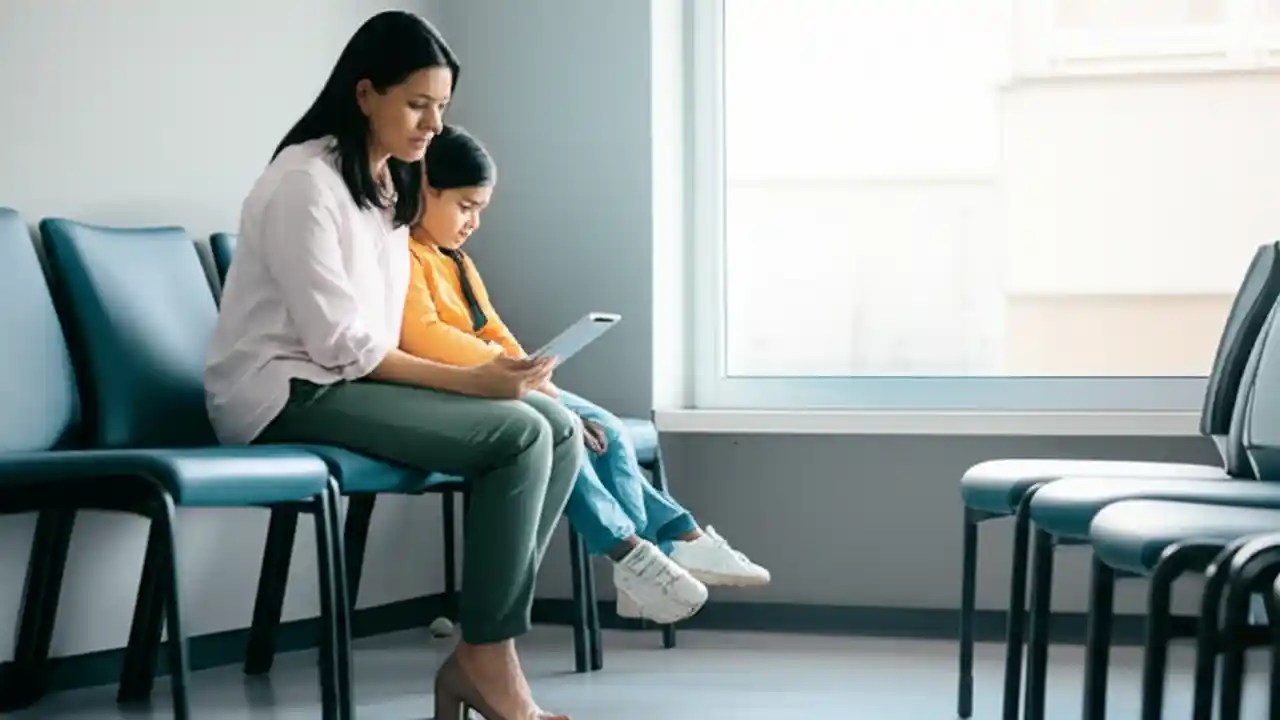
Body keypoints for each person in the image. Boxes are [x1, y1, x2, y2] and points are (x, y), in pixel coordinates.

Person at [203, 12, 574, 720]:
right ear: (365, 93)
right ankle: (488, 659)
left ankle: (482, 653)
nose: (433, 124)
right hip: (282, 392)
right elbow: (344, 345)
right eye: (417, 104)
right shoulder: (302, 185)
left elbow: (374, 338)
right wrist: (474, 383)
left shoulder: (388, 185)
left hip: (341, 380)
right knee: (522, 434)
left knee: (552, 425)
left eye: (442, 108)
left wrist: (499, 378)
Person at [399, 125, 771, 625]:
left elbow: (495, 329)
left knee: (610, 430)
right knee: (565, 432)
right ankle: (643, 552)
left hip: (504, 379)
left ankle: (664, 548)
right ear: (425, 187)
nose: (474, 223)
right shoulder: (402, 254)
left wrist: (540, 377)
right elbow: (422, 334)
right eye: (466, 206)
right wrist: (513, 374)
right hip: (460, 388)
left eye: (481, 210)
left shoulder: (457, 262)